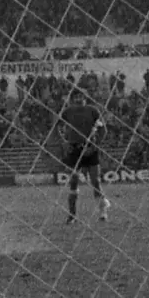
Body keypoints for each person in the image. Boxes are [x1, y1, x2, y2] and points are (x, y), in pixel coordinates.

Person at [58, 86, 110, 223]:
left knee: (95, 181)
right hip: (74, 149)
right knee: (73, 182)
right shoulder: (67, 112)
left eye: (81, 96)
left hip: (89, 149)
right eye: (76, 96)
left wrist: (94, 146)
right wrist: (65, 142)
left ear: (85, 97)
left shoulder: (93, 111)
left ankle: (102, 212)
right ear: (72, 98)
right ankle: (72, 215)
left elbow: (103, 130)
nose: (78, 99)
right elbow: (57, 127)